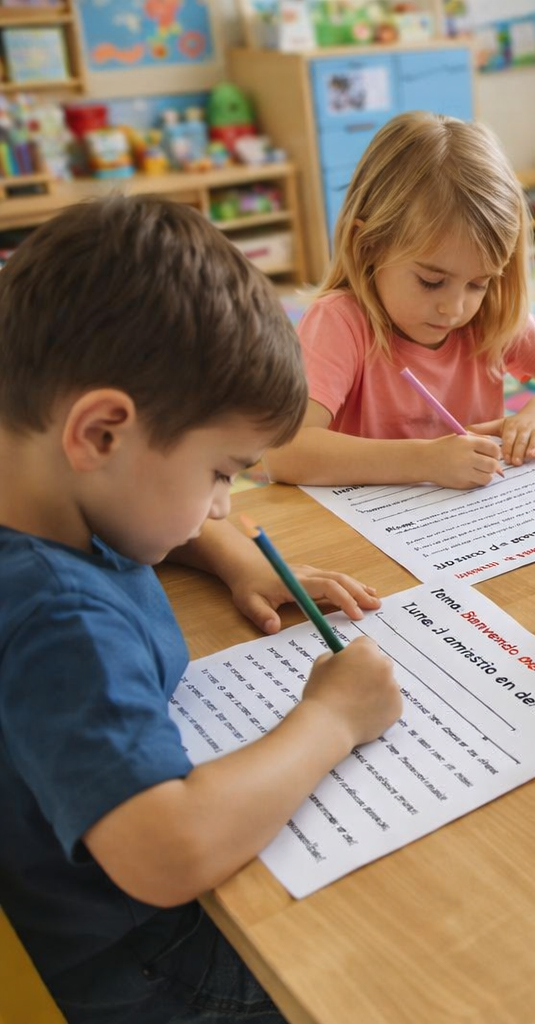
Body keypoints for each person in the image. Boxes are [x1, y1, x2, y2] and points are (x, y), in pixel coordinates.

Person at [0, 196, 402, 1022]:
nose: (222, 505)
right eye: (222, 472)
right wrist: (332, 718)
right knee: (394, 952)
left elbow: (130, 504)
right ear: (101, 432)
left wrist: (227, 554)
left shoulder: (43, 481)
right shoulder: (60, 622)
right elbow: (168, 852)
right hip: (149, 962)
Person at [263, 112, 535, 488]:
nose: (454, 309)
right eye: (431, 281)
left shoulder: (489, 317)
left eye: (478, 283)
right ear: (368, 245)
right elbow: (283, 452)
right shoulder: (339, 322)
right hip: (368, 519)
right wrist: (425, 461)